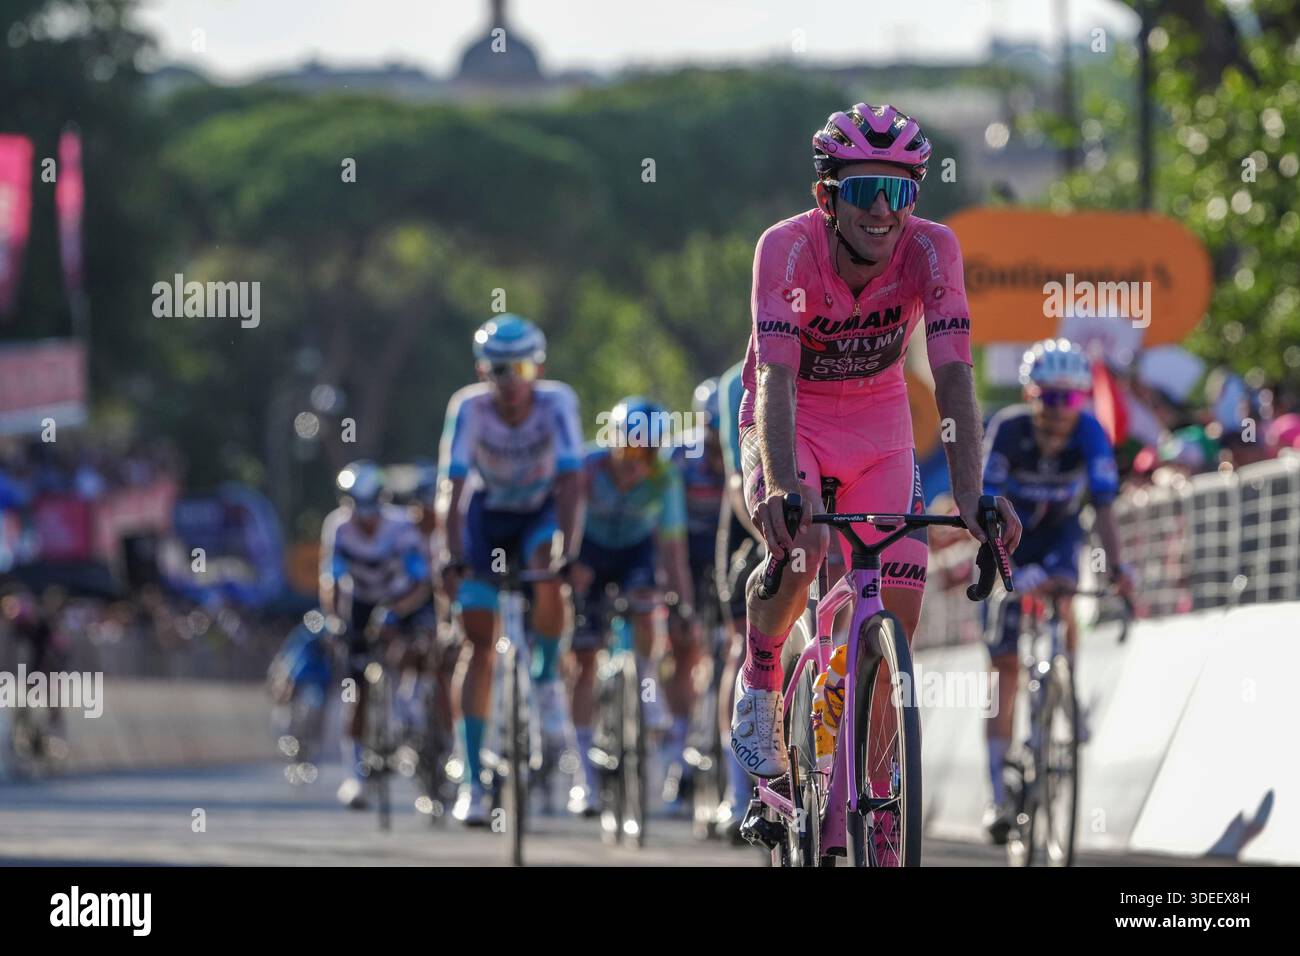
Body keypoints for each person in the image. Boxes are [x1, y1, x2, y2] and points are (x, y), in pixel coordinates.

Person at [729, 102, 1021, 811]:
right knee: (804, 544)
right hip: (792, 414)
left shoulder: (933, 250)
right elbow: (776, 378)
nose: (884, 210)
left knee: (900, 606)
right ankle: (762, 678)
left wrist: (972, 496)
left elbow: (953, 375)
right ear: (827, 196)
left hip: (879, 421)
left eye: (901, 191)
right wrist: (778, 486)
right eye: (865, 190)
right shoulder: (786, 248)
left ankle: (870, 792)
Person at [979, 337, 1134, 842]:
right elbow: (983, 508)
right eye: (1050, 397)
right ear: (1031, 395)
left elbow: (1105, 508)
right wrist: (1004, 567)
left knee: (1065, 592)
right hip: (1009, 540)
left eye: (1071, 399)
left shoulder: (1090, 433)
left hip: (1060, 537)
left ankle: (1065, 684)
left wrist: (1118, 568)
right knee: (1003, 667)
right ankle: (998, 796)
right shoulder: (1008, 431)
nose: (1060, 410)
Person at [437, 315, 585, 825]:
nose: (511, 381)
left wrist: (572, 547)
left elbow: (571, 482)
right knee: (477, 643)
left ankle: (545, 674)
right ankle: (473, 780)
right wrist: (450, 553)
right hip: (489, 515)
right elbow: (451, 491)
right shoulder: (469, 408)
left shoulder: (558, 401)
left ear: (538, 366)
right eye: (500, 370)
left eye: (521, 367)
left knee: (546, 565)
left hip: (541, 511)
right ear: (484, 371)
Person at [567, 397, 693, 816]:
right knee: (583, 659)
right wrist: (568, 563)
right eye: (632, 448)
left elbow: (673, 548)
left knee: (645, 604)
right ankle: (584, 773)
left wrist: (682, 603)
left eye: (650, 451)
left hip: (635, 552)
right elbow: (561, 518)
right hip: (589, 552)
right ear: (615, 443)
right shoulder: (588, 465)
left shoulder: (664, 477)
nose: (639, 459)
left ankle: (646, 680)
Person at [319, 460, 432, 808]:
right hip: (361, 603)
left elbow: (421, 580)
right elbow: (332, 579)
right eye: (357, 508)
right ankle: (355, 776)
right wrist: (335, 620)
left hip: (401, 598)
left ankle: (410, 708)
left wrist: (396, 612)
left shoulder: (402, 527)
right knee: (356, 689)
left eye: (371, 508)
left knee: (415, 650)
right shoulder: (337, 527)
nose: (365, 519)